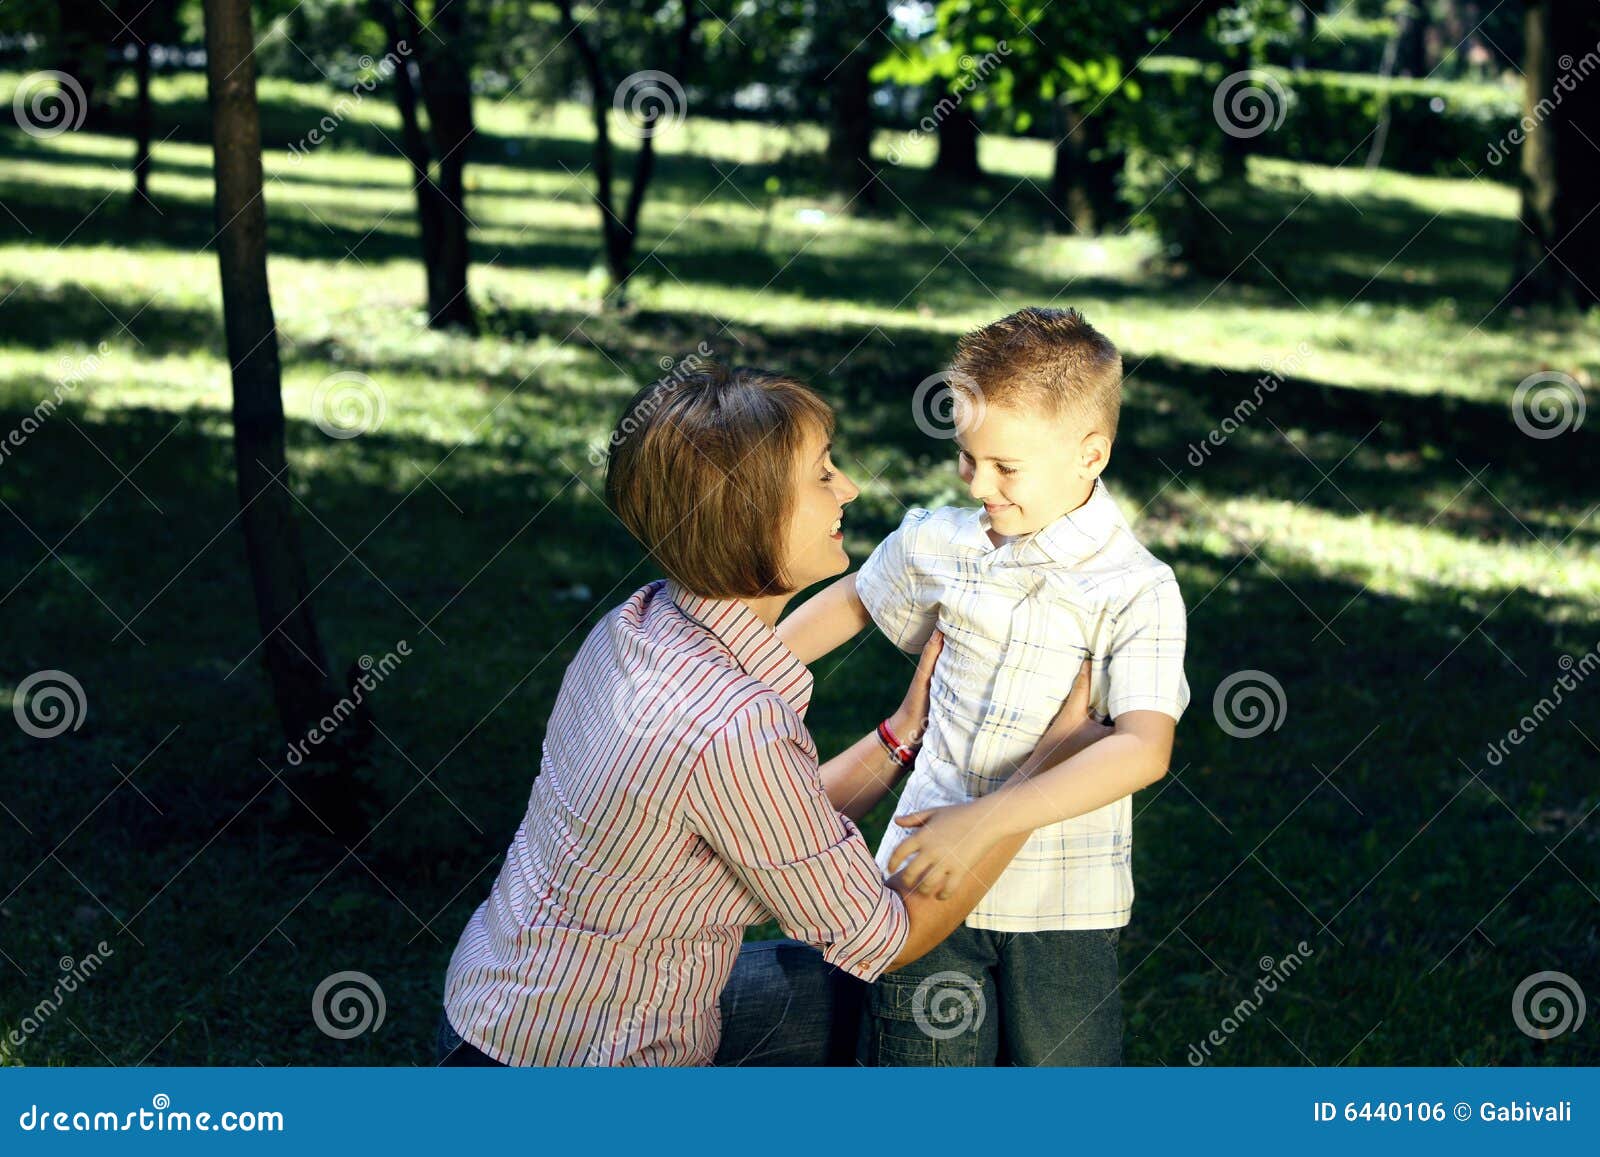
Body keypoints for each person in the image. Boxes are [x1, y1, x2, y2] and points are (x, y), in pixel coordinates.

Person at [436, 361, 1110, 1066]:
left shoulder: (635, 625)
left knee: (881, 994)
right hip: (575, 1068)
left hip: (497, 1015)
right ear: (751, 515)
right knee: (923, 981)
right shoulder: (733, 725)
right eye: (823, 475)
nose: (848, 487)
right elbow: (884, 936)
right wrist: (1039, 772)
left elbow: (769, 820)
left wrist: (902, 732)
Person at [777, 307, 1190, 1066]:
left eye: (1006, 466)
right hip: (920, 876)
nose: (979, 482)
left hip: (1062, 907)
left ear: (1090, 453)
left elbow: (1142, 748)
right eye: (967, 457)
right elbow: (851, 601)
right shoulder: (942, 540)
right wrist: (746, 671)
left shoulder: (1136, 588)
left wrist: (989, 819)